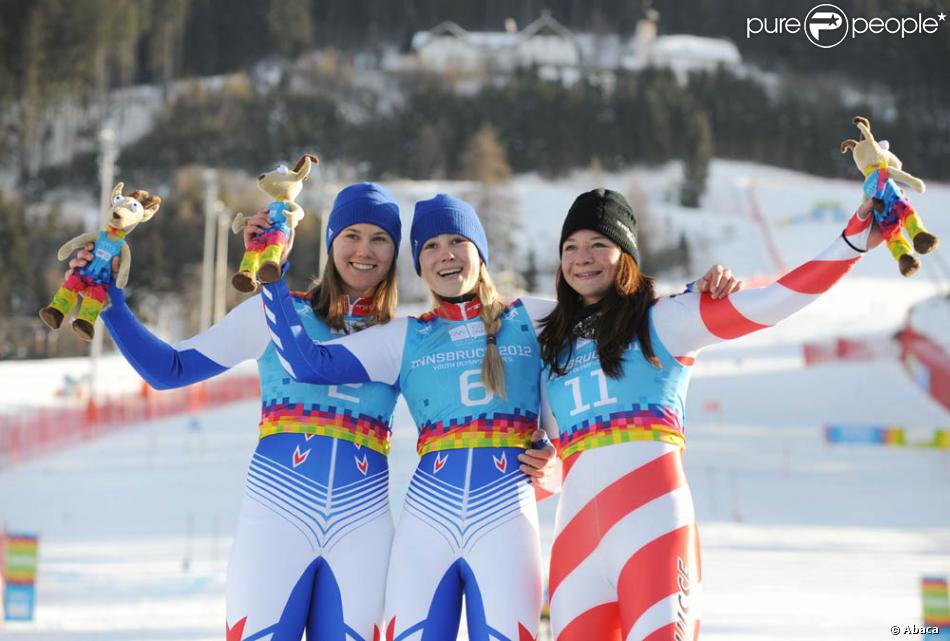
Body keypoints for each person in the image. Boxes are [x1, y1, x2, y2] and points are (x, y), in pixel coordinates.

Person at [255, 192, 738, 641]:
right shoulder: (404, 336)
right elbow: (306, 362)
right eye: (432, 246)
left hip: (505, 526)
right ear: (418, 264)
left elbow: (617, 311)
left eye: (459, 242)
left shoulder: (534, 318)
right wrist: (270, 271)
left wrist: (691, 297)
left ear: (480, 252)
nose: (446, 254)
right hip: (425, 529)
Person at [535, 189, 880, 641]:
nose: (583, 258)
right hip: (575, 544)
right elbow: (550, 464)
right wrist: (542, 469)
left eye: (599, 244)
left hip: (654, 533)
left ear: (626, 255)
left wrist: (851, 243)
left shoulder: (666, 321)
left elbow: (776, 301)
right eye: (570, 247)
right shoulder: (551, 349)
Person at [70, 183, 404, 641]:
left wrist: (539, 451)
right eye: (351, 235)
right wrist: (108, 300)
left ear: (394, 252)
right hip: (277, 522)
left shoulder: (405, 336)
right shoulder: (276, 311)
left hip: (363, 532)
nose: (364, 250)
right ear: (331, 242)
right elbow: (170, 369)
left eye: (379, 238)